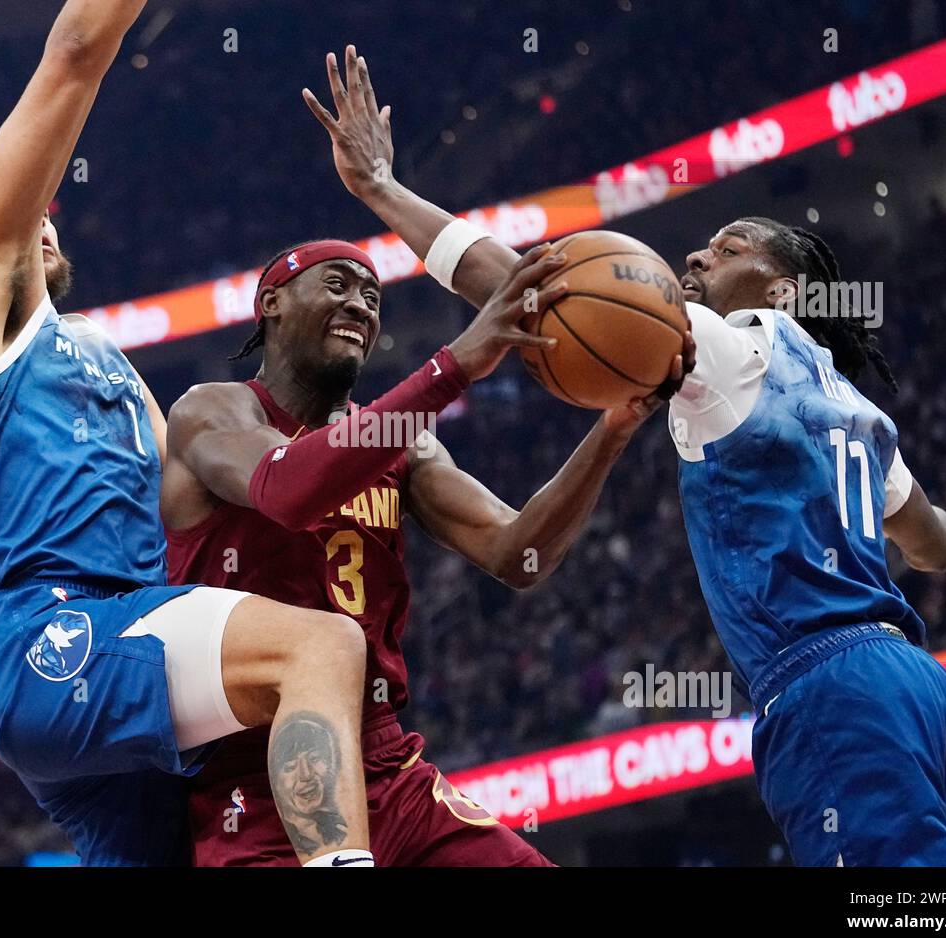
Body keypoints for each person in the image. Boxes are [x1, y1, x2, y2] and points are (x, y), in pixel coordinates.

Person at [310, 45, 946, 867]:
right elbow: (937, 543)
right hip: (924, 687)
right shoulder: (856, 409)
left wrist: (383, 189)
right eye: (702, 243)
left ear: (782, 292)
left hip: (831, 690)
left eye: (731, 245)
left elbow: (522, 288)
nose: (699, 257)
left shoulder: (732, 345)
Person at [0, 2, 375, 867]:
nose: (30, 210)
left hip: (125, 636)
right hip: (48, 634)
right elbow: (77, 51)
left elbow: (193, 503)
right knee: (320, 646)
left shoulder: (100, 355)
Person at [162, 227, 686, 865]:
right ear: (271, 302)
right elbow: (286, 490)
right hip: (259, 772)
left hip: (383, 761)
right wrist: (457, 363)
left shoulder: (400, 446)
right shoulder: (212, 411)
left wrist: (613, 428)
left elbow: (517, 553)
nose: (360, 304)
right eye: (337, 285)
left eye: (372, 296)